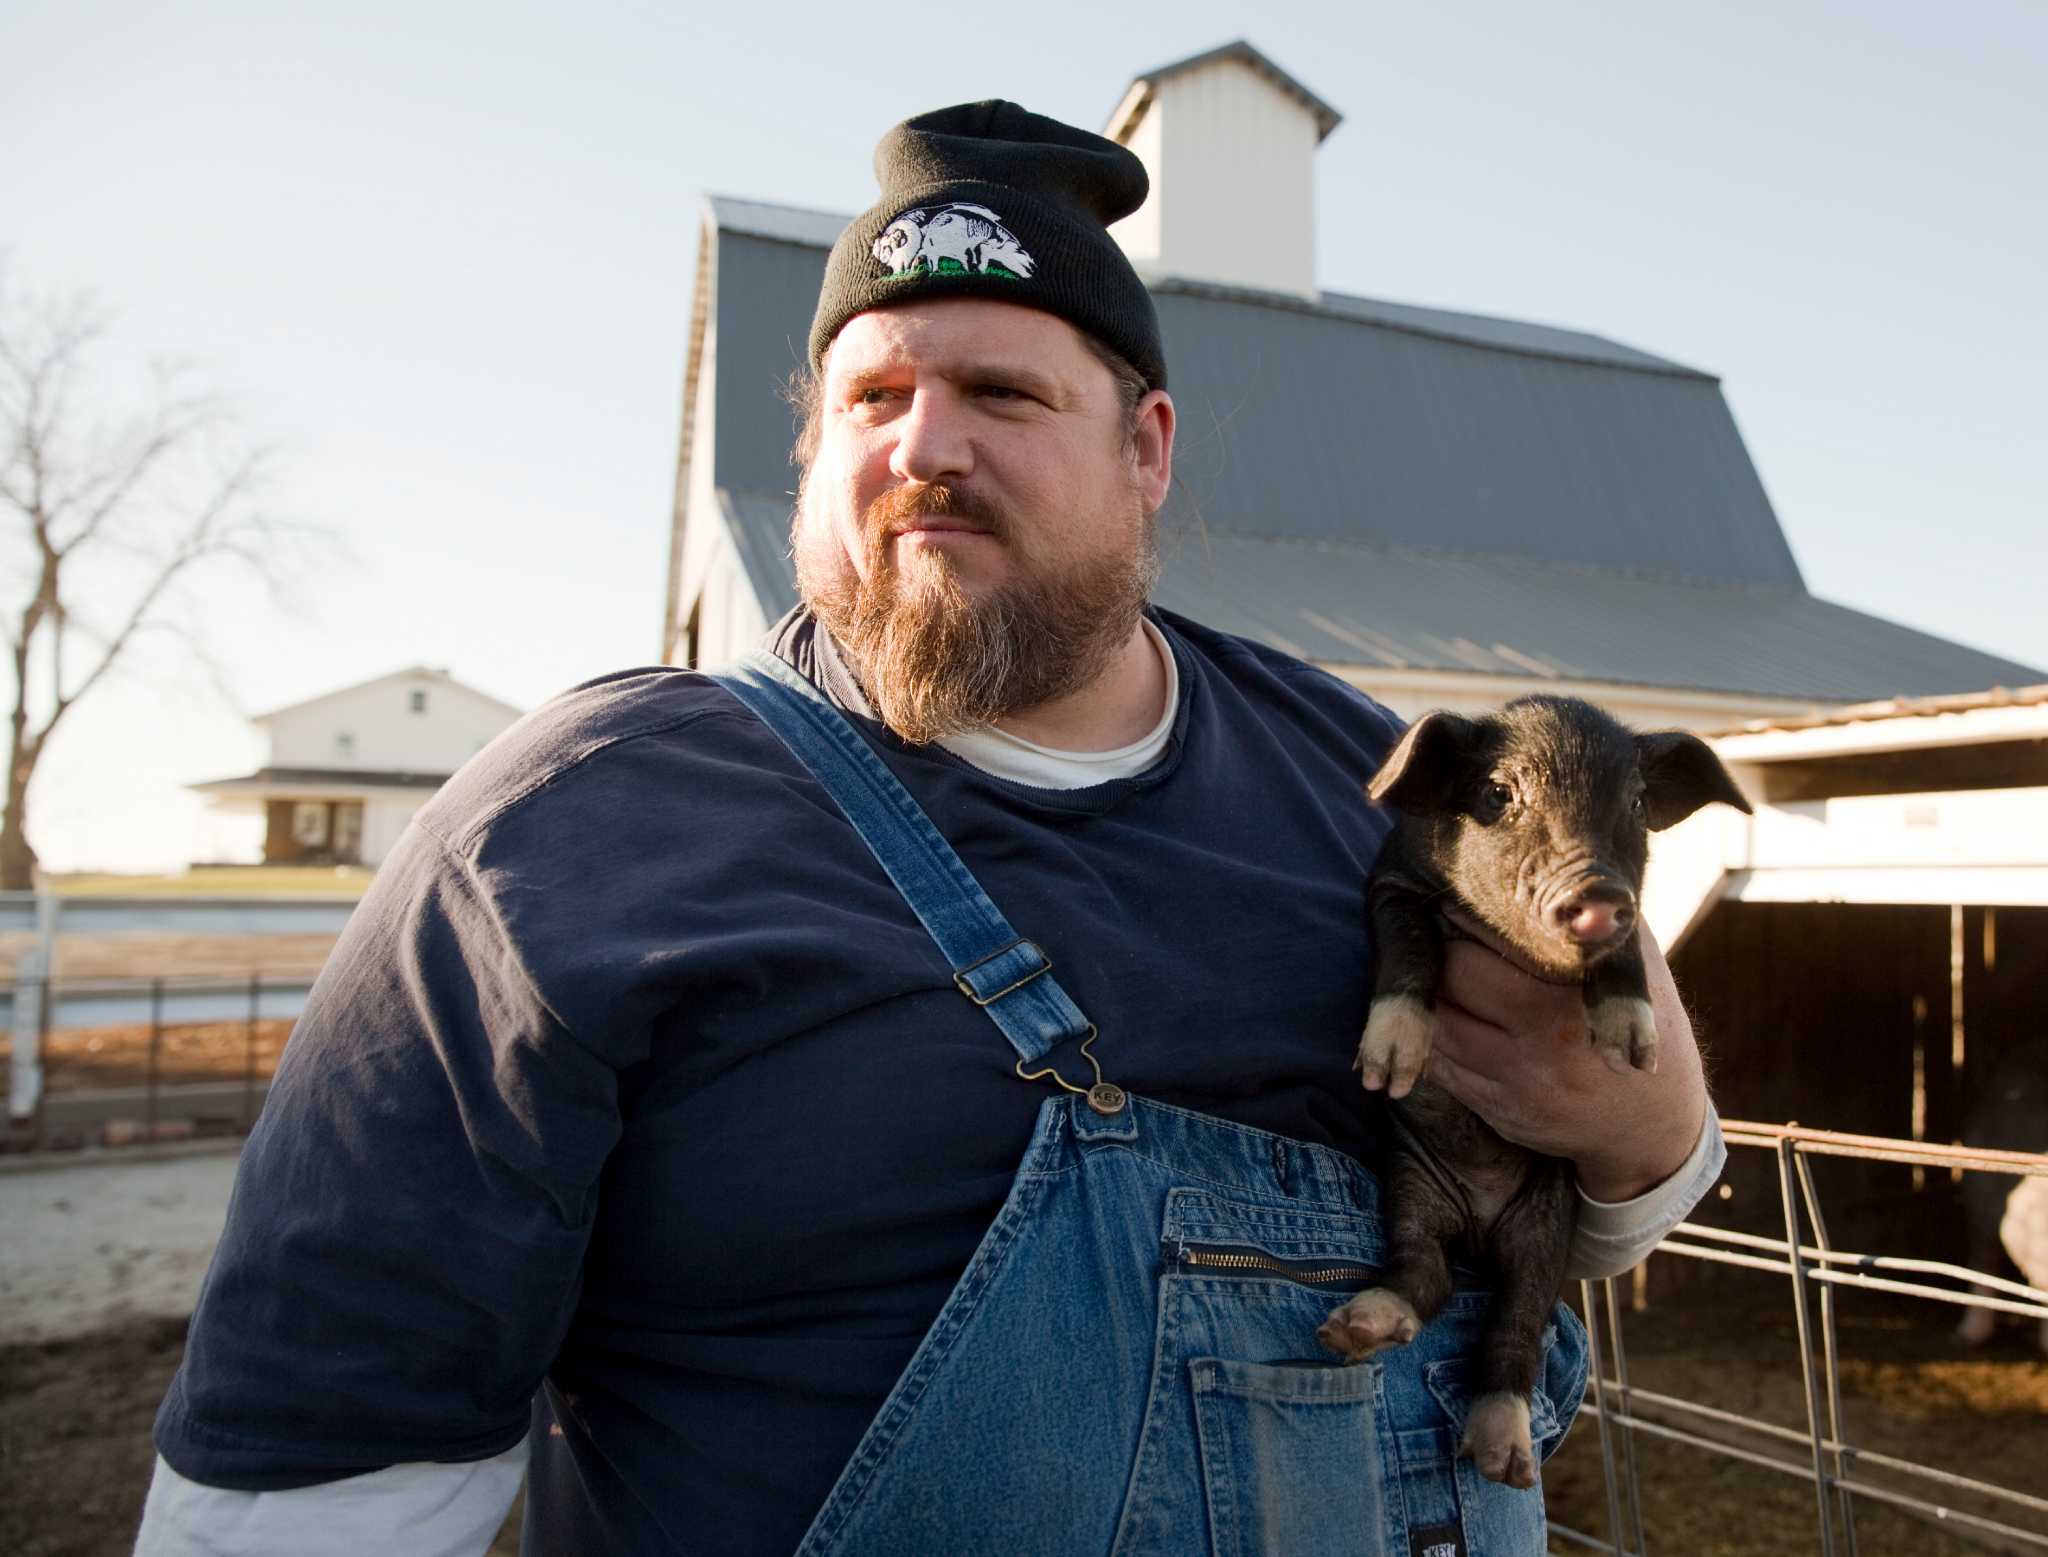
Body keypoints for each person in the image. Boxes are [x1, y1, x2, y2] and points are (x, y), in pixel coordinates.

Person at [136, 101, 1723, 1556]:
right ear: (812, 446)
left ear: (1147, 448)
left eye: (1002, 393)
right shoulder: (564, 838)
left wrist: (1655, 1127)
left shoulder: (1376, 779)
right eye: (874, 396)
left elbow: (1600, 1188)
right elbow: (309, 1496)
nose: (924, 447)